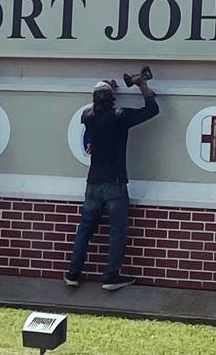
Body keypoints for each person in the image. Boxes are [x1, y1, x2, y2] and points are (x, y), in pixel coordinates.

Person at [64, 73, 158, 290]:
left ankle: (73, 273)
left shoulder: (88, 117)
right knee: (117, 230)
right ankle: (111, 276)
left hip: (93, 183)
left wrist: (105, 88)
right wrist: (142, 86)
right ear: (112, 99)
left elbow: (96, 107)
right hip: (115, 182)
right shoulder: (120, 116)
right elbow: (152, 110)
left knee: (85, 229)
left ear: (95, 98)